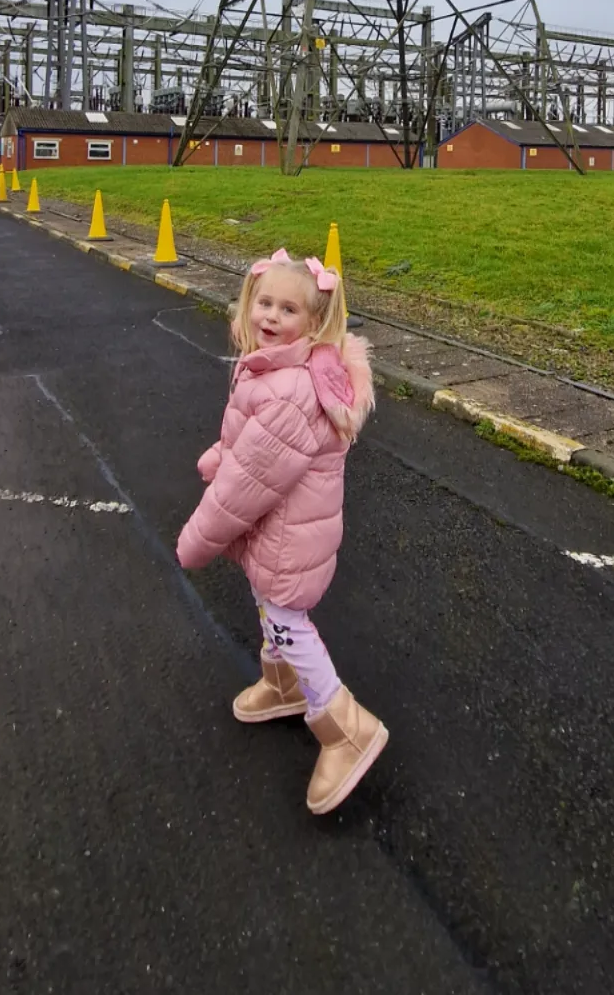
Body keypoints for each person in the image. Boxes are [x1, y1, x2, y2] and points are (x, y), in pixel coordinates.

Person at [176, 246, 386, 816]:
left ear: (313, 323)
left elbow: (248, 484)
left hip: (289, 535)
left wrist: (197, 539)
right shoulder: (276, 368)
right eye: (264, 303)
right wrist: (222, 454)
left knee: (289, 620)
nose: (270, 316)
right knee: (270, 605)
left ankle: (345, 726)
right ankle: (284, 685)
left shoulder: (291, 390)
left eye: (288, 309)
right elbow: (250, 446)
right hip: (283, 528)